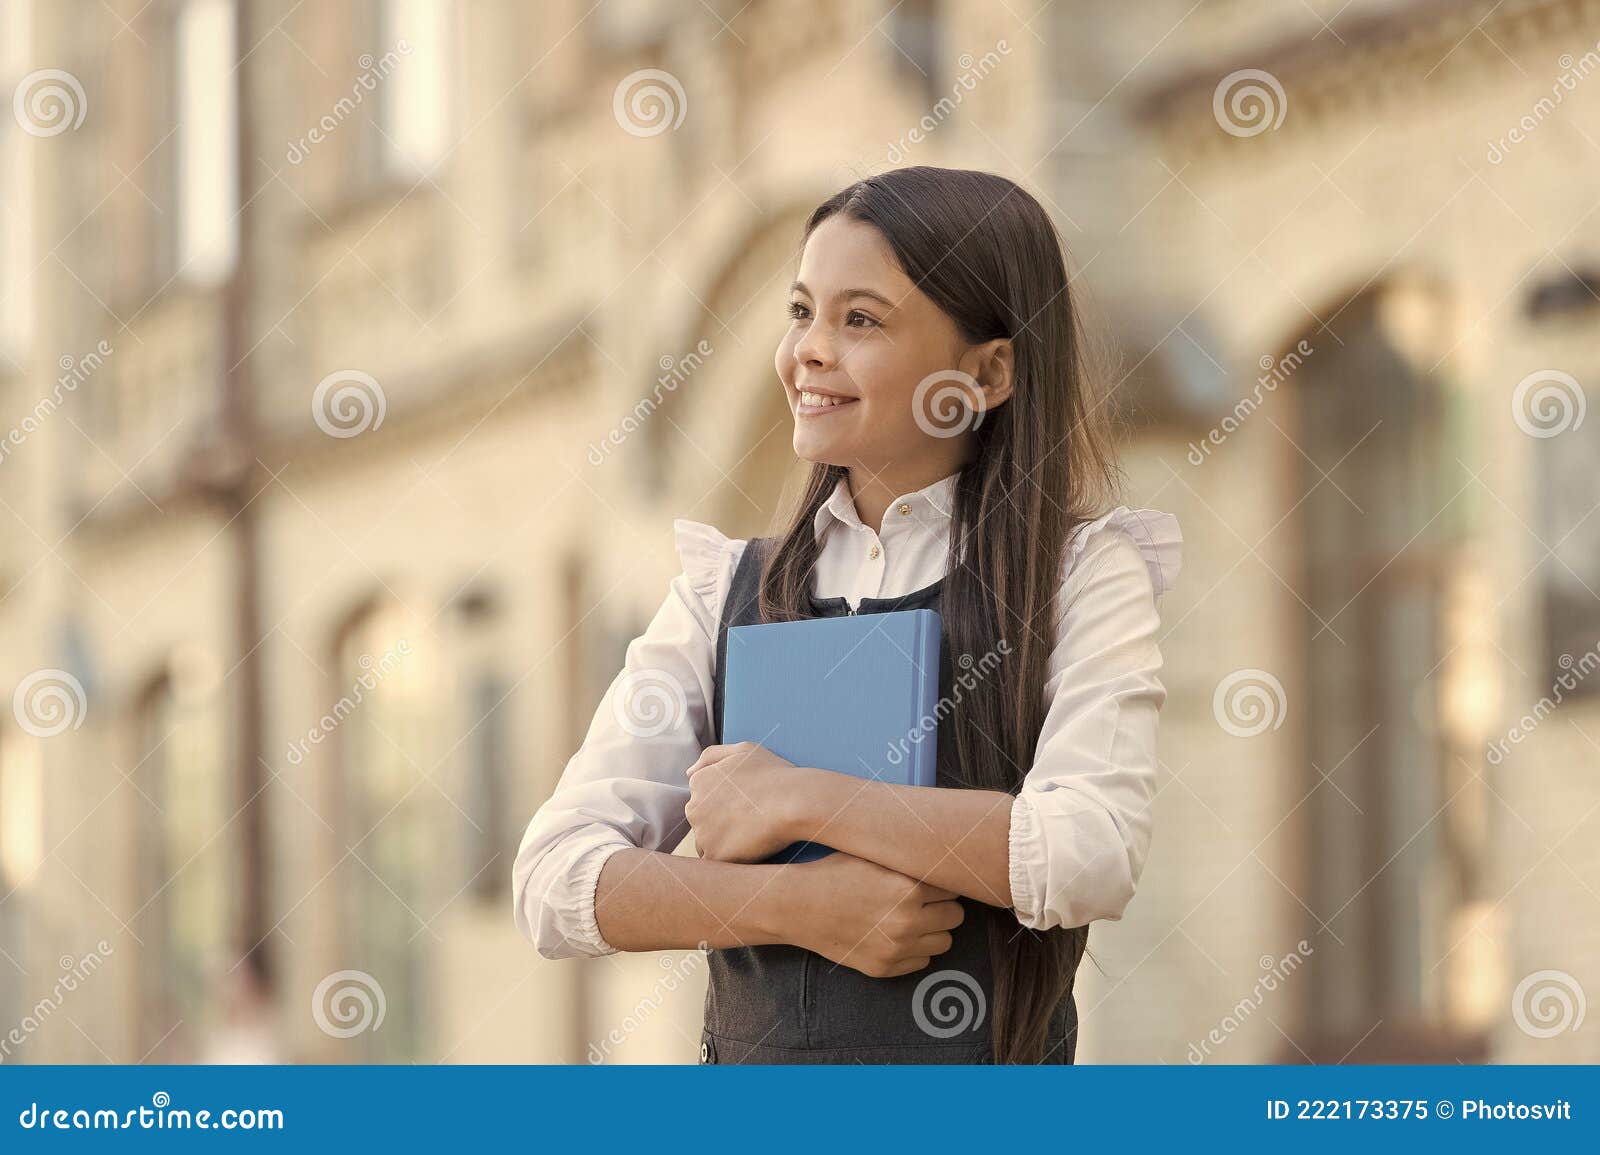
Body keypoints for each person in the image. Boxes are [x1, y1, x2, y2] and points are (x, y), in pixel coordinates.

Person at [513, 166, 1182, 1064]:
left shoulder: (1080, 576)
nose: (808, 352)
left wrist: (800, 797)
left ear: (987, 371)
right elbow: (554, 881)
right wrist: (795, 905)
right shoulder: (720, 590)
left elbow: (1088, 849)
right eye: (799, 312)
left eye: (859, 319)